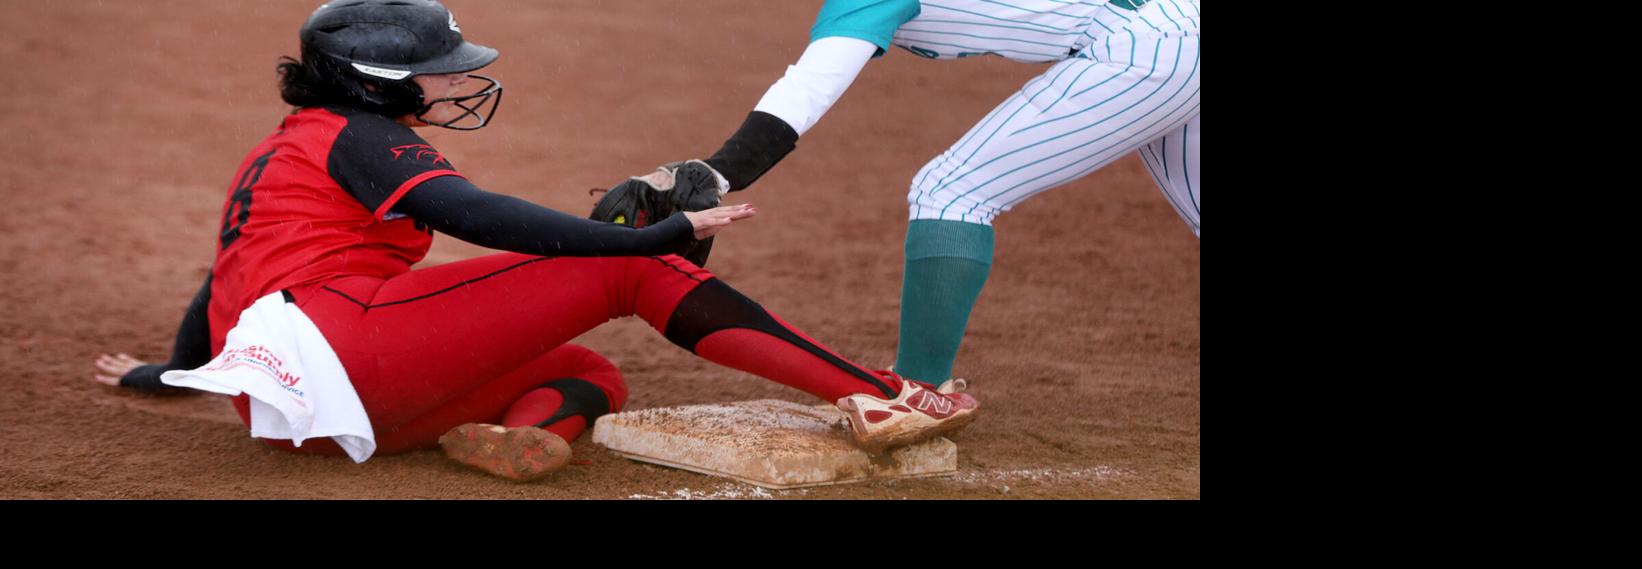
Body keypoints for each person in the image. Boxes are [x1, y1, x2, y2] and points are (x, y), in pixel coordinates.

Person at [94, 0, 978, 481]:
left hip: (301, 419)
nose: (456, 82)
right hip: (344, 349)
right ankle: (882, 396)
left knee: (589, 373)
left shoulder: (284, 147)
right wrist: (651, 240)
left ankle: (523, 440)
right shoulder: (360, 136)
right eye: (440, 72)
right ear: (381, 82)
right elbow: (470, 212)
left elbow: (223, 280)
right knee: (635, 273)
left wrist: (168, 372)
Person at [617, 0, 1200, 388]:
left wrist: (715, 174)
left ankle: (919, 388)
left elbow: (810, 87)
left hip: (1145, 49)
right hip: (1177, 27)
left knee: (951, 191)